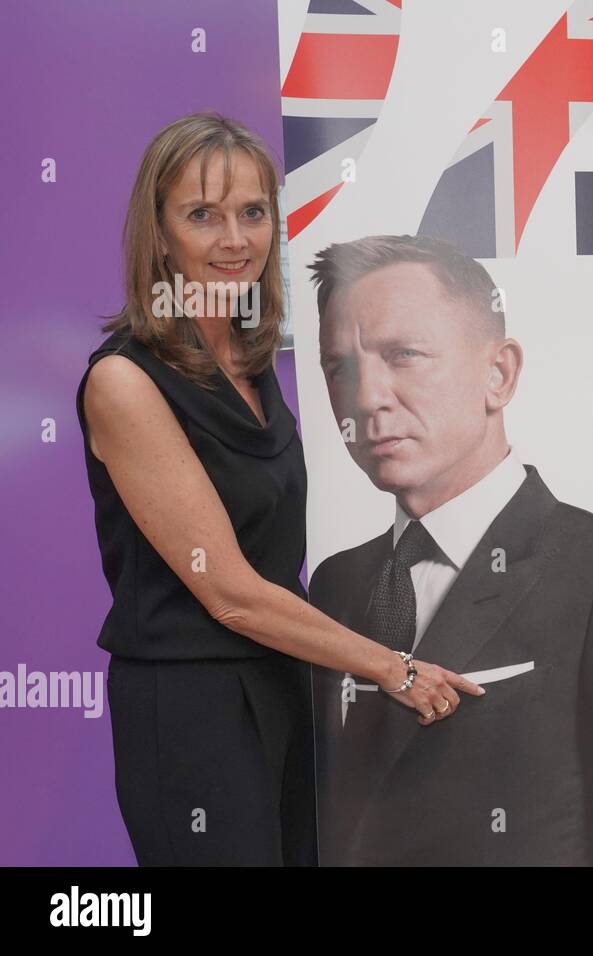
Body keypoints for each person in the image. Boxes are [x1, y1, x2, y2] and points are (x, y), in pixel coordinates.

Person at [75, 112, 478, 867]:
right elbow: (229, 591)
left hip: (280, 687)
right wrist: (392, 665)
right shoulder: (124, 382)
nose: (236, 240)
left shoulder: (252, 366)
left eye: (254, 213)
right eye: (203, 215)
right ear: (159, 237)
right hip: (191, 711)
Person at [304, 234, 593, 865]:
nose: (367, 396)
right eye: (340, 367)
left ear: (498, 374)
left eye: (403, 354)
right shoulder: (337, 584)